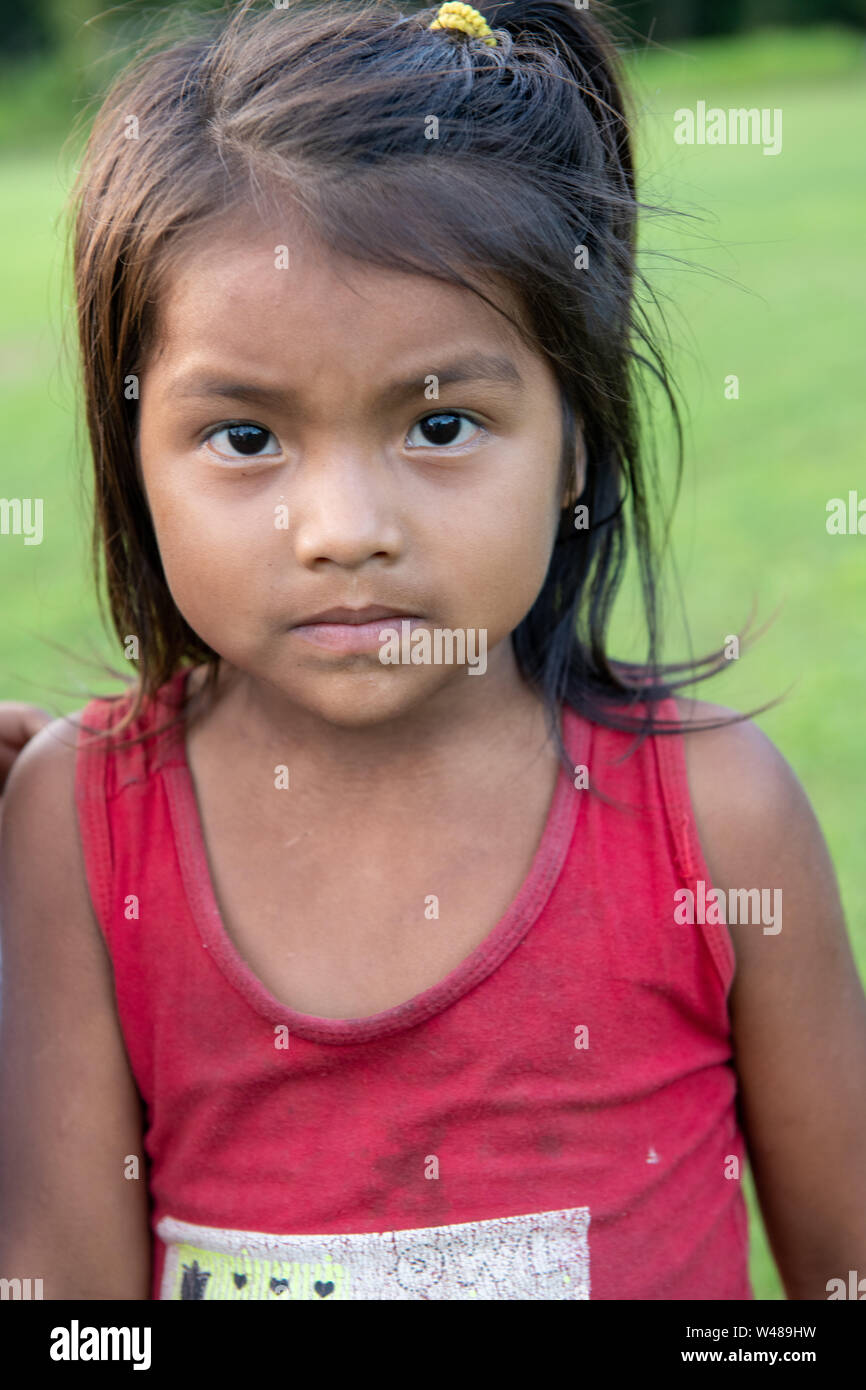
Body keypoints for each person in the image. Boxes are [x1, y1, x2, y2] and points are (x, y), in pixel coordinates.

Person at [1, 0, 864, 1302]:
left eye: (443, 424)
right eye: (245, 438)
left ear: (576, 439)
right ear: (132, 458)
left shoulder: (714, 817)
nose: (344, 531)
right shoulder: (75, 824)